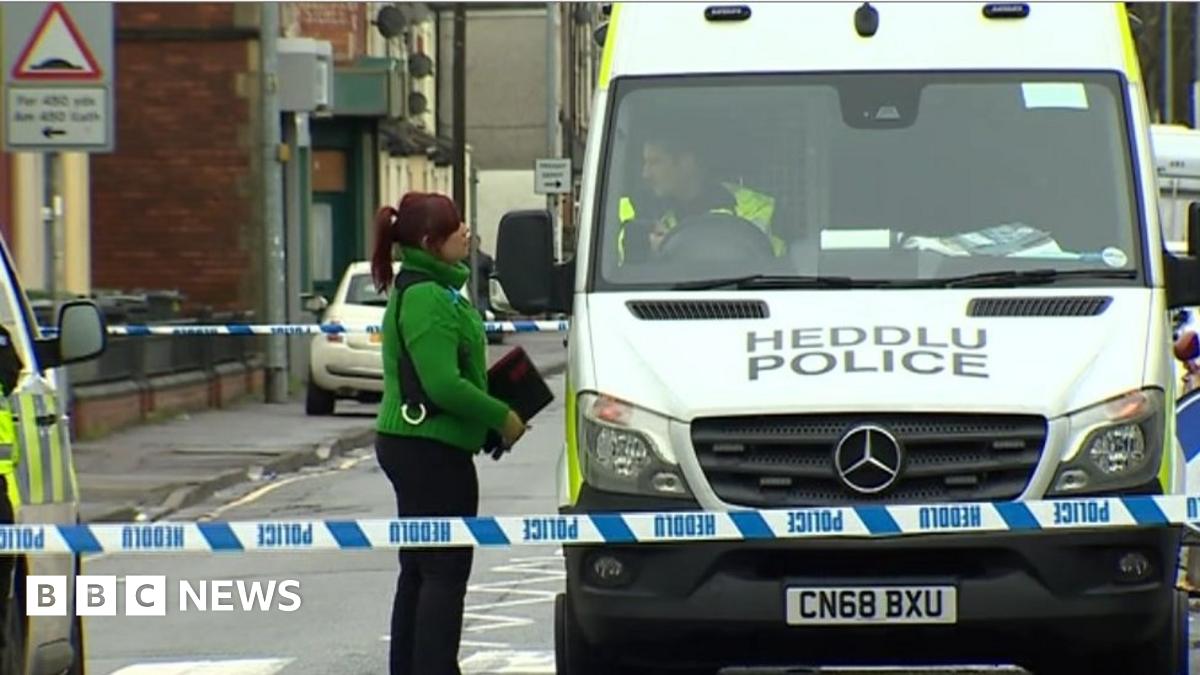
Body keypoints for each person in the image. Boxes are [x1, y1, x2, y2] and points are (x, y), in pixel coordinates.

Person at [369, 192, 528, 675]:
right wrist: (502, 416)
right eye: (455, 226)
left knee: (421, 568)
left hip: (423, 445)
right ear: (427, 241)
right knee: (444, 571)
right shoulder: (426, 298)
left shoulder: (427, 289)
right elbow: (442, 384)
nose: (466, 232)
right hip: (428, 450)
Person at [616, 126, 787, 263]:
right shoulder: (651, 216)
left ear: (686, 163)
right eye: (645, 163)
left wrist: (678, 249)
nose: (645, 174)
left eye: (655, 162)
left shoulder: (755, 207)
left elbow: (773, 267)